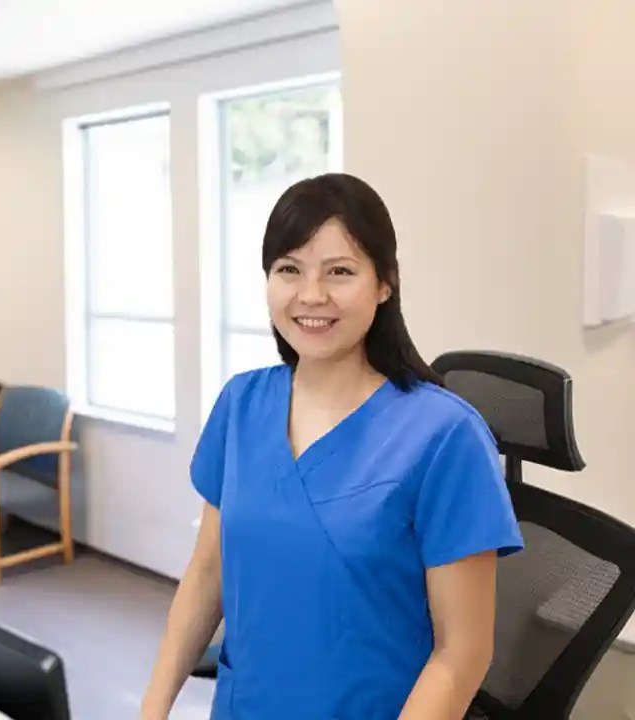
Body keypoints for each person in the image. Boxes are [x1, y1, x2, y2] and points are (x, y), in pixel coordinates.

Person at [140, 173, 523, 720]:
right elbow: (207, 574)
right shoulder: (242, 404)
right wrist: (153, 708)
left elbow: (461, 654)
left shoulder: (445, 436)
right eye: (289, 270)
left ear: (385, 283)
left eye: (339, 271)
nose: (311, 295)